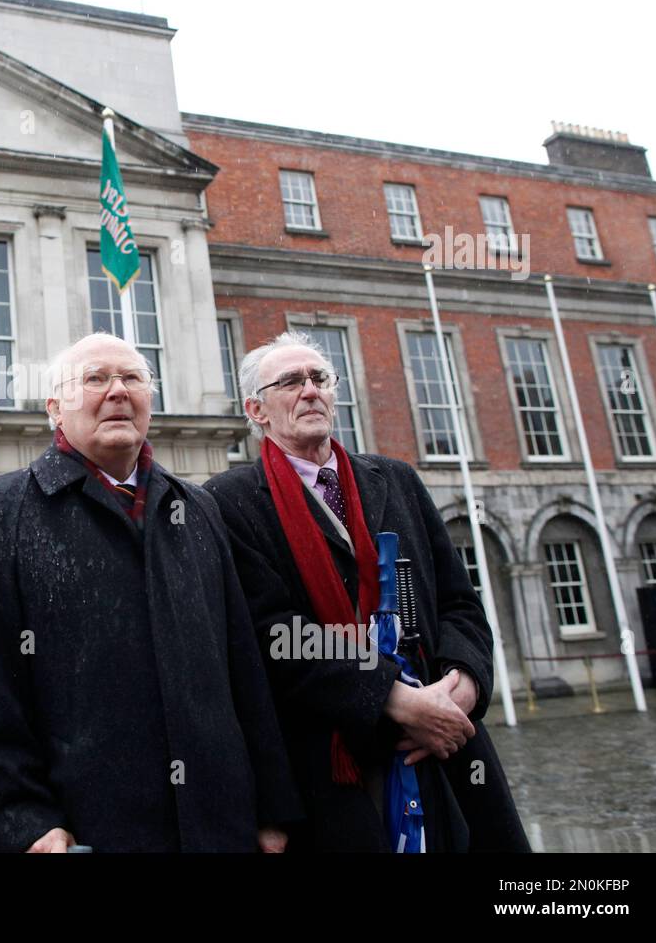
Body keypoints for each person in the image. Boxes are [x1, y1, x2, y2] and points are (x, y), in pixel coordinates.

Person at [0, 331, 301, 853]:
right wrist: (23, 823)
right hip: (88, 832)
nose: (118, 391)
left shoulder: (198, 509)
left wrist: (272, 810)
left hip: (221, 825)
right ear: (55, 408)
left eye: (133, 378)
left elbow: (243, 668)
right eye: (95, 379)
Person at [203, 330, 529, 853]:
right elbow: (273, 633)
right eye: (290, 381)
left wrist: (461, 687)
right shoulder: (227, 501)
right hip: (338, 759)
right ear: (256, 410)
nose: (311, 390)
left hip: (446, 742)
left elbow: (459, 603)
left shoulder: (396, 479)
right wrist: (393, 697)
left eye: (320, 379)